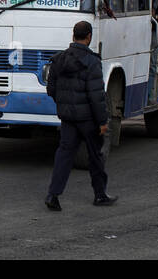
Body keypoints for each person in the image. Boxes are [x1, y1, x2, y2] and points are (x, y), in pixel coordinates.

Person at [45, 20, 115, 210]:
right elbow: (97, 96)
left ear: (73, 35)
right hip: (88, 120)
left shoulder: (59, 60)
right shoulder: (92, 62)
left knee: (64, 155)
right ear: (89, 37)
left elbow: (51, 89)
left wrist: (65, 105)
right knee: (95, 156)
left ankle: (53, 195)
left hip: (67, 117)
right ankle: (100, 195)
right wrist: (102, 121)